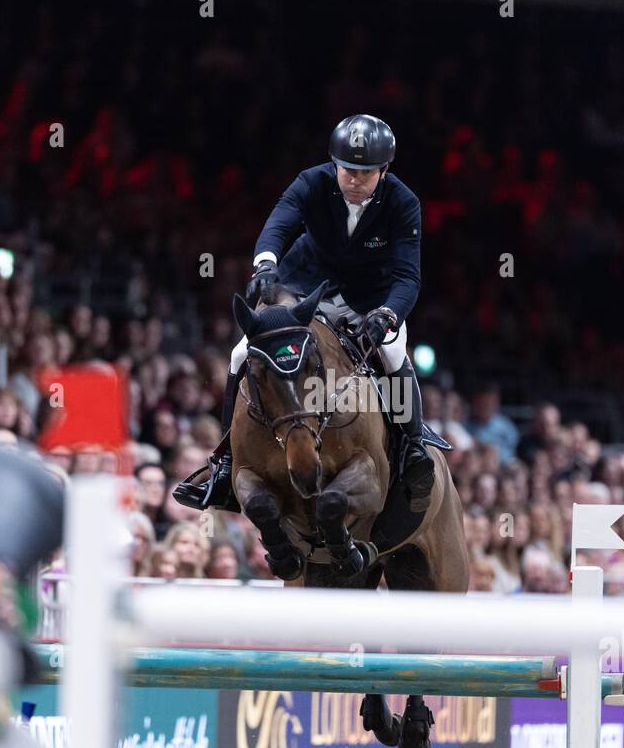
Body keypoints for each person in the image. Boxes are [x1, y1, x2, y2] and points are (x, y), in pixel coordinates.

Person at [177, 114, 435, 511]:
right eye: (347, 169)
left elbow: (408, 277)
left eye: (364, 173)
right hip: (304, 288)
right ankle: (226, 462)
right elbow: (279, 225)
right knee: (240, 353)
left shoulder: (403, 203)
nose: (352, 179)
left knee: (394, 353)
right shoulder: (311, 182)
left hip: (372, 298)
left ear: (384, 170)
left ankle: (411, 446)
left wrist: (387, 313)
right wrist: (265, 264)